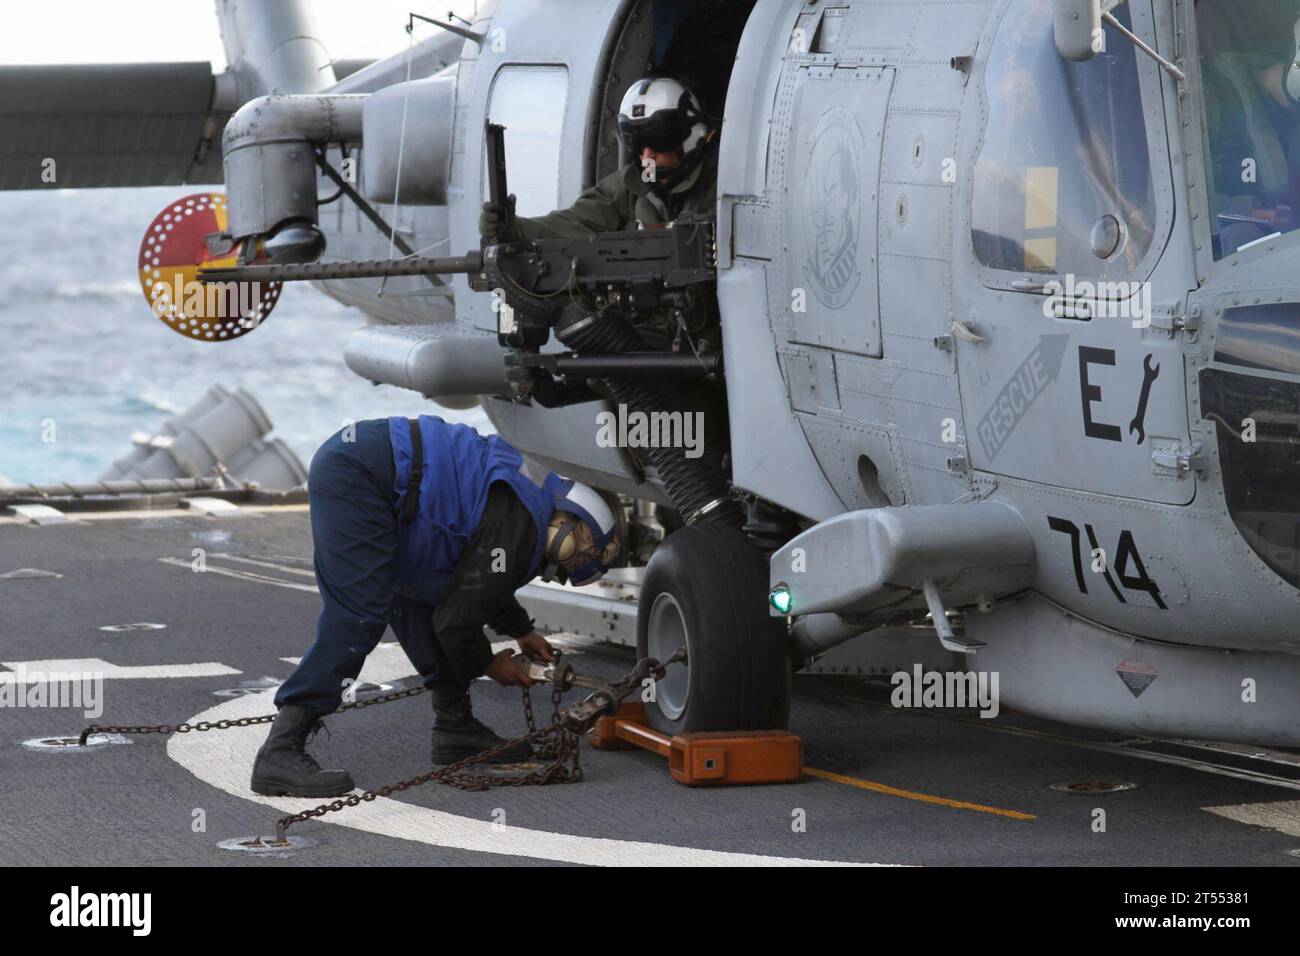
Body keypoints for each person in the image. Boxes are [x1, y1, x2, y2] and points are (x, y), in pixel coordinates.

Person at [250, 415, 620, 797]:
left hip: (374, 469)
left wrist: (520, 630)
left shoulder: (530, 497)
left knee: (419, 597)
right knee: (358, 615)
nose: (560, 567)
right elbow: (457, 621)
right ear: (574, 528)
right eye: (576, 557)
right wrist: (489, 664)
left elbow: (480, 574)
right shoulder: (523, 522)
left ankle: (455, 727)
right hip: (361, 476)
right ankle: (280, 749)